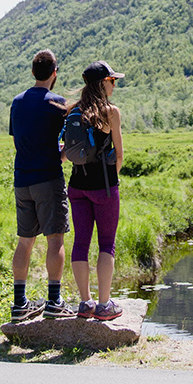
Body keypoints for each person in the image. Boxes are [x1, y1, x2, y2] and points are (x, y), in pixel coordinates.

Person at [8, 49, 71, 320]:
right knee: (55, 238)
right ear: (54, 73)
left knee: (25, 241)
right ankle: (54, 301)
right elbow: (71, 142)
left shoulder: (17, 102)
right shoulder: (58, 103)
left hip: (22, 180)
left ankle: (20, 303)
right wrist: (60, 153)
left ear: (33, 72)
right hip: (48, 178)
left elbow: (18, 141)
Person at [66, 60, 126, 320]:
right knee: (106, 244)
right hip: (104, 188)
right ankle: (104, 305)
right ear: (102, 83)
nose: (114, 85)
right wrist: (111, 180)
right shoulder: (111, 112)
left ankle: (84, 303)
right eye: (112, 81)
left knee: (80, 243)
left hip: (76, 186)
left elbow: (67, 154)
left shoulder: (72, 112)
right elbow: (120, 155)